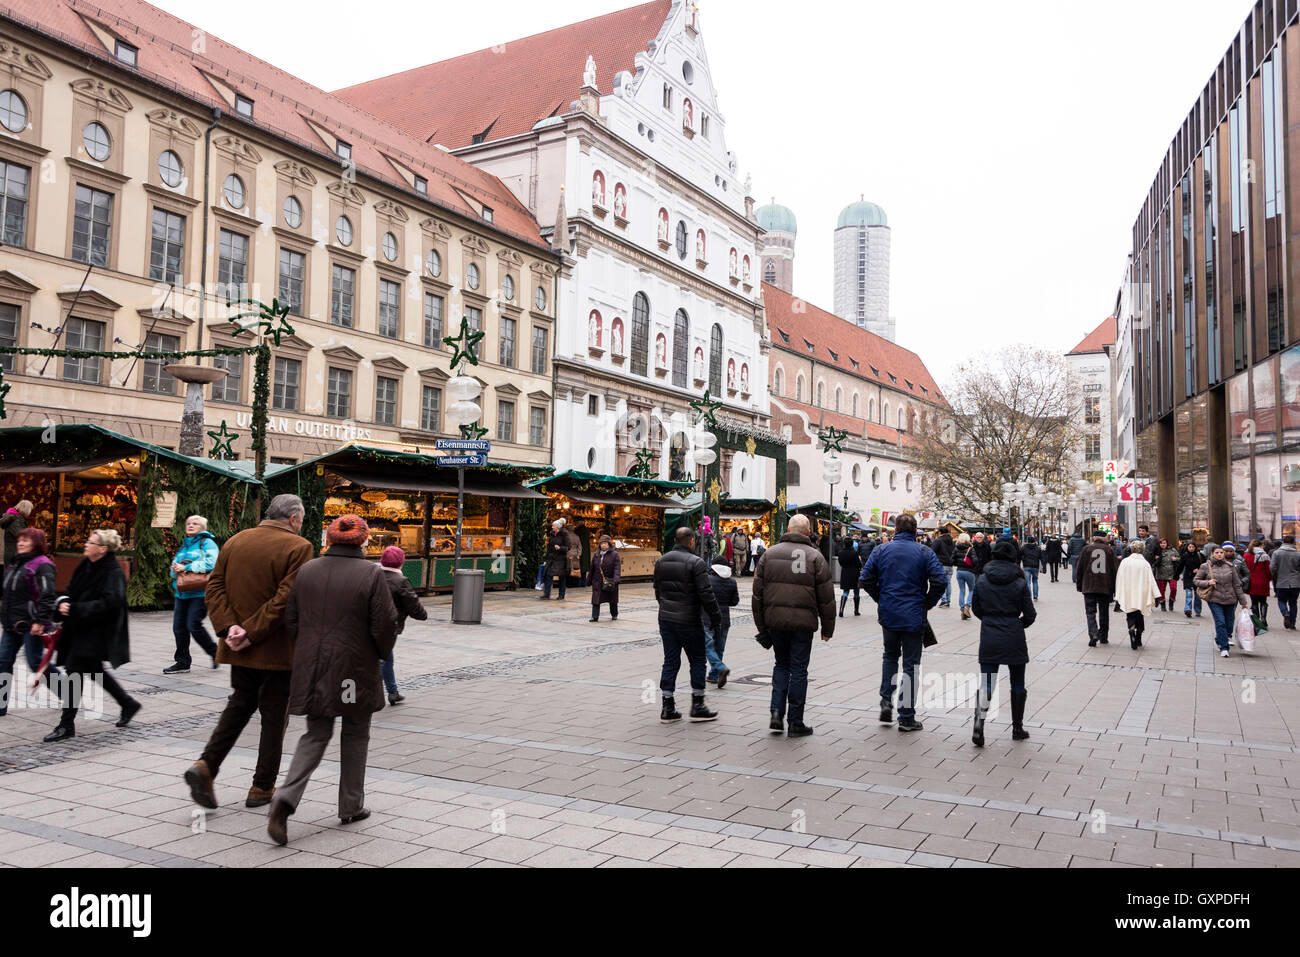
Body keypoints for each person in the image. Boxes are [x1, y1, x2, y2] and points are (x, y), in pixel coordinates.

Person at [266, 515, 398, 846]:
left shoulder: (308, 570)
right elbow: (384, 622)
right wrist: (380, 653)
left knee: (316, 732)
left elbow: (291, 618)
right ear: (363, 541)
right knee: (355, 732)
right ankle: (350, 805)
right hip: (354, 668)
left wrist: (308, 648)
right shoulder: (370, 573)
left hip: (313, 665)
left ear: (330, 539)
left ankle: (286, 795)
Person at [184, 493, 313, 811]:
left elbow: (214, 587)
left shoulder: (236, 541)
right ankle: (261, 786)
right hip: (276, 649)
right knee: (274, 715)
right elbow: (287, 598)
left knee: (239, 705)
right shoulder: (299, 547)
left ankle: (206, 765)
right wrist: (251, 632)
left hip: (237, 645)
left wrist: (230, 629)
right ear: (294, 518)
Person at [43, 529, 142, 741]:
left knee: (74, 675)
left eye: (91, 542)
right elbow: (70, 590)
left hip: (96, 632)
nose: (85, 545)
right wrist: (63, 603)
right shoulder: (86, 564)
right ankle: (128, 703)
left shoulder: (113, 572)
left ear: (103, 549)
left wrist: (77, 609)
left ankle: (66, 725)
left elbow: (110, 603)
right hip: (79, 629)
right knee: (94, 671)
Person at [860, 513, 946, 732]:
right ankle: (906, 715)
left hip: (889, 612)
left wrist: (880, 597)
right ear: (915, 531)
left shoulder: (881, 550)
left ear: (895, 529)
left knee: (890, 656)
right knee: (910, 664)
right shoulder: (924, 551)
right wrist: (927, 602)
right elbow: (940, 580)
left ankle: (886, 703)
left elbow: (865, 578)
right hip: (914, 614)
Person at [753, 514, 835, 736]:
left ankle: (776, 714)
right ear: (808, 532)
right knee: (799, 670)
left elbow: (757, 595)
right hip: (803, 624)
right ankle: (796, 721)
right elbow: (826, 597)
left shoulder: (769, 555)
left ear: (788, 528)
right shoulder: (815, 557)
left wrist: (761, 627)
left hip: (775, 622)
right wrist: (827, 629)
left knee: (781, 665)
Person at [652, 526, 721, 723]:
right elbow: (706, 594)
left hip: (666, 619)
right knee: (698, 660)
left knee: (671, 661)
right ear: (691, 541)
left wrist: (665, 606)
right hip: (689, 619)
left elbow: (657, 590)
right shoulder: (696, 562)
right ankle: (697, 705)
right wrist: (716, 618)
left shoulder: (662, 561)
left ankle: (667, 707)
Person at [971, 538, 1036, 746]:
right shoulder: (1019, 581)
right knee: (1018, 683)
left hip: (989, 634)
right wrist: (1017, 624)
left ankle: (979, 725)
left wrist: (989, 620)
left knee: (987, 682)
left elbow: (976, 608)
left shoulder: (982, 579)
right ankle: (1017, 728)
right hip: (1014, 634)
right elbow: (1030, 614)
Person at [0, 527, 56, 716]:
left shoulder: (42, 564)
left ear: (37, 543)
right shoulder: (15, 564)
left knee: (35, 662)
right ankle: (1, 704)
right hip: (11, 624)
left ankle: (68, 690)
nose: (21, 543)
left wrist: (40, 621)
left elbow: (47, 595)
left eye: (26, 540)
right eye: (20, 540)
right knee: (3, 662)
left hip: (32, 624)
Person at [164, 515, 220, 674]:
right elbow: (174, 570)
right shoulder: (184, 545)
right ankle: (182, 662)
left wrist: (187, 567)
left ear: (202, 527)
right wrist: (175, 569)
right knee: (179, 628)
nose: (190, 525)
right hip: (182, 593)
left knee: (193, 625)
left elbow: (213, 564)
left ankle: (215, 652)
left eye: (195, 523)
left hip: (200, 593)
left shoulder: (207, 543)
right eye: (188, 523)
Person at [378, 546, 426, 705]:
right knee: (382, 658)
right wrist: (422, 614)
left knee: (386, 657)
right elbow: (415, 609)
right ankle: (385, 692)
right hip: (388, 627)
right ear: (400, 563)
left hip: (368, 623)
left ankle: (392, 692)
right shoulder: (401, 581)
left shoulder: (372, 575)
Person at [1194, 545, 1249, 657]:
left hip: (1231, 599)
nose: (1219, 554)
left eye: (1221, 552)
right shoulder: (1205, 566)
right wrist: (1208, 582)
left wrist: (1243, 602)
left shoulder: (1230, 566)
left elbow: (1237, 584)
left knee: (1229, 624)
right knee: (1221, 622)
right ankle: (1224, 647)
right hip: (1215, 599)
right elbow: (1196, 580)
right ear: (1212, 554)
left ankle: (1219, 639)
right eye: (1217, 552)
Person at [1077, 530, 1119, 647]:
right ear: (1103, 538)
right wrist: (1115, 588)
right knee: (1104, 612)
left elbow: (1079, 568)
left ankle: (1093, 633)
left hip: (1089, 586)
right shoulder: (1109, 550)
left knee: (1090, 612)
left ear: (1094, 538)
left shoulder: (1086, 549)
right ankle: (1104, 637)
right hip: (1105, 587)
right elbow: (1115, 570)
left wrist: (1080, 585)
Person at [1116, 540, 1160, 649]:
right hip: (1142, 592)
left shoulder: (1125, 562)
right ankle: (1139, 636)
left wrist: (1118, 594)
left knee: (1130, 613)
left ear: (1131, 549)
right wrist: (1157, 595)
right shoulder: (1145, 564)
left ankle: (1131, 630)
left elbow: (1119, 578)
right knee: (1140, 613)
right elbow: (1151, 579)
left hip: (1128, 591)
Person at [703, 554, 738, 688]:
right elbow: (734, 602)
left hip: (708, 618)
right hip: (724, 619)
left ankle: (720, 667)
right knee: (719, 648)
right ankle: (714, 675)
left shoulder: (707, 579)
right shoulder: (732, 582)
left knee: (708, 647)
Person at [587, 533, 622, 622]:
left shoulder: (614, 554)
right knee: (596, 598)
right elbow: (592, 568)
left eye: (605, 543)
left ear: (609, 544)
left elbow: (617, 568)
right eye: (602, 543)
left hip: (610, 580)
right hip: (597, 580)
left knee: (612, 598)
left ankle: (614, 614)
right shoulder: (596, 554)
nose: (603, 545)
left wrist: (616, 579)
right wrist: (589, 580)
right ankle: (594, 616)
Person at [1271, 535, 1300, 629]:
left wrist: (1275, 575)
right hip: (1295, 582)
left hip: (1281, 580)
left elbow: (1272, 567)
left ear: (1283, 542)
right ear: (1293, 542)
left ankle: (1285, 614)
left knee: (1281, 600)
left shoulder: (1277, 553)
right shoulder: (1298, 554)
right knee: (1293, 603)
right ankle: (1292, 623)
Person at [0, 500, 33, 580]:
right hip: (14, 553)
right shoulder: (15, 520)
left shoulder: (14, 518)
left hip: (12, 552)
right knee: (13, 578)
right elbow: (21, 536)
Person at [541, 518, 571, 601]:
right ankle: (546, 594)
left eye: (553, 526)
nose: (552, 527)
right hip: (551, 558)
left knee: (561, 577)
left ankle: (561, 595)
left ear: (557, 527)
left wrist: (560, 548)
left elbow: (568, 547)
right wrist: (546, 558)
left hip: (560, 559)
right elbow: (549, 547)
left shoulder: (564, 534)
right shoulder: (551, 534)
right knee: (548, 575)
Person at [1244, 540, 1272, 626]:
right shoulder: (1264, 556)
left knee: (1254, 602)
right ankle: (1263, 619)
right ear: (1260, 546)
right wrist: (1270, 578)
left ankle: (1256, 621)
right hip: (1263, 581)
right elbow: (1268, 570)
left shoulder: (1246, 555)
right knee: (1263, 601)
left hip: (1251, 581)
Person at [1177, 540, 1205, 618]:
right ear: (1187, 547)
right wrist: (1176, 576)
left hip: (1198, 577)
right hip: (1188, 577)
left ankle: (1198, 611)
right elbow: (1180, 566)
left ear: (1195, 548)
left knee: (1198, 595)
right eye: (1190, 547)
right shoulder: (1184, 556)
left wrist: (1199, 569)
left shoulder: (1200, 555)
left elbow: (1205, 565)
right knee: (1188, 594)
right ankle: (1188, 609)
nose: (1191, 548)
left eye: (1193, 547)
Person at [836, 535, 863, 617]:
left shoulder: (840, 552)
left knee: (845, 591)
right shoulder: (854, 552)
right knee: (856, 591)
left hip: (845, 572)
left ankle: (841, 610)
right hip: (854, 573)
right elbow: (859, 564)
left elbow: (840, 563)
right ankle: (856, 611)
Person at [953, 532, 977, 620]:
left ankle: (962, 610)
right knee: (972, 589)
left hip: (959, 571)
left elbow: (952, 560)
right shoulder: (971, 549)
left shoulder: (956, 548)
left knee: (962, 590)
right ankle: (968, 606)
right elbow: (975, 561)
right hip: (969, 571)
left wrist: (958, 563)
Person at [932, 525, 955, 607]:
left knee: (941, 582)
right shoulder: (951, 541)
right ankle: (948, 600)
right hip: (950, 565)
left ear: (940, 532)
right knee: (948, 583)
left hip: (941, 564)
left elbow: (932, 551)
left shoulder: (938, 540)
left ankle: (944, 600)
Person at [1152, 538, 1178, 613]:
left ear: (1167, 543)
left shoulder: (1173, 550)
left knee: (1173, 589)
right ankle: (1162, 604)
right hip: (1161, 573)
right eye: (1161, 543)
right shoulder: (1156, 551)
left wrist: (1175, 559)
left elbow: (1180, 558)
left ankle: (1171, 601)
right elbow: (1151, 561)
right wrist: (1155, 558)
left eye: (1164, 543)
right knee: (1161, 591)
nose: (1163, 544)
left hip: (1172, 573)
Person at [1019, 535, 1041, 601]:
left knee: (1027, 582)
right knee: (1035, 581)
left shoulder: (1023, 548)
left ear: (1027, 541)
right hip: (1035, 566)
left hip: (1026, 566)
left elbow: (1019, 556)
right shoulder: (1037, 548)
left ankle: (1029, 596)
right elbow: (1041, 556)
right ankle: (1035, 596)